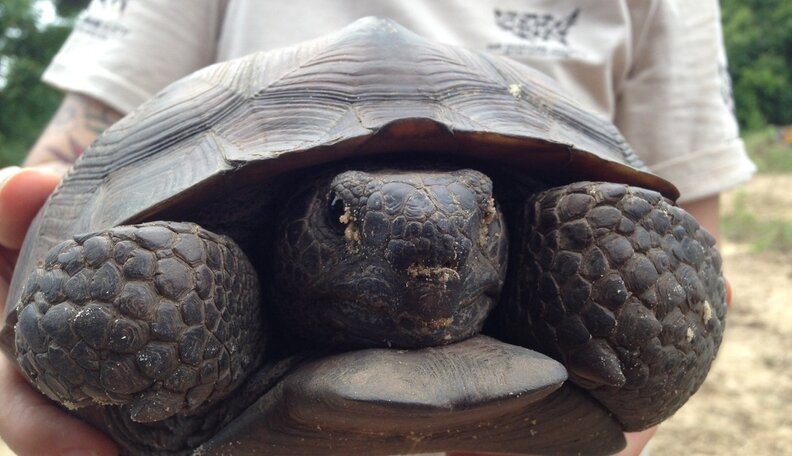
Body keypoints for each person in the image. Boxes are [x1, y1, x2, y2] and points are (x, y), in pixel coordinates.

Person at [0, 1, 754, 455]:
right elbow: (84, 190)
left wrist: (664, 324)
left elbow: (679, 233)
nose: (435, 262)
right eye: (341, 221)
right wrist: (38, 263)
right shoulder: (197, 285)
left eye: (480, 219)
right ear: (302, 224)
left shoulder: (568, 234)